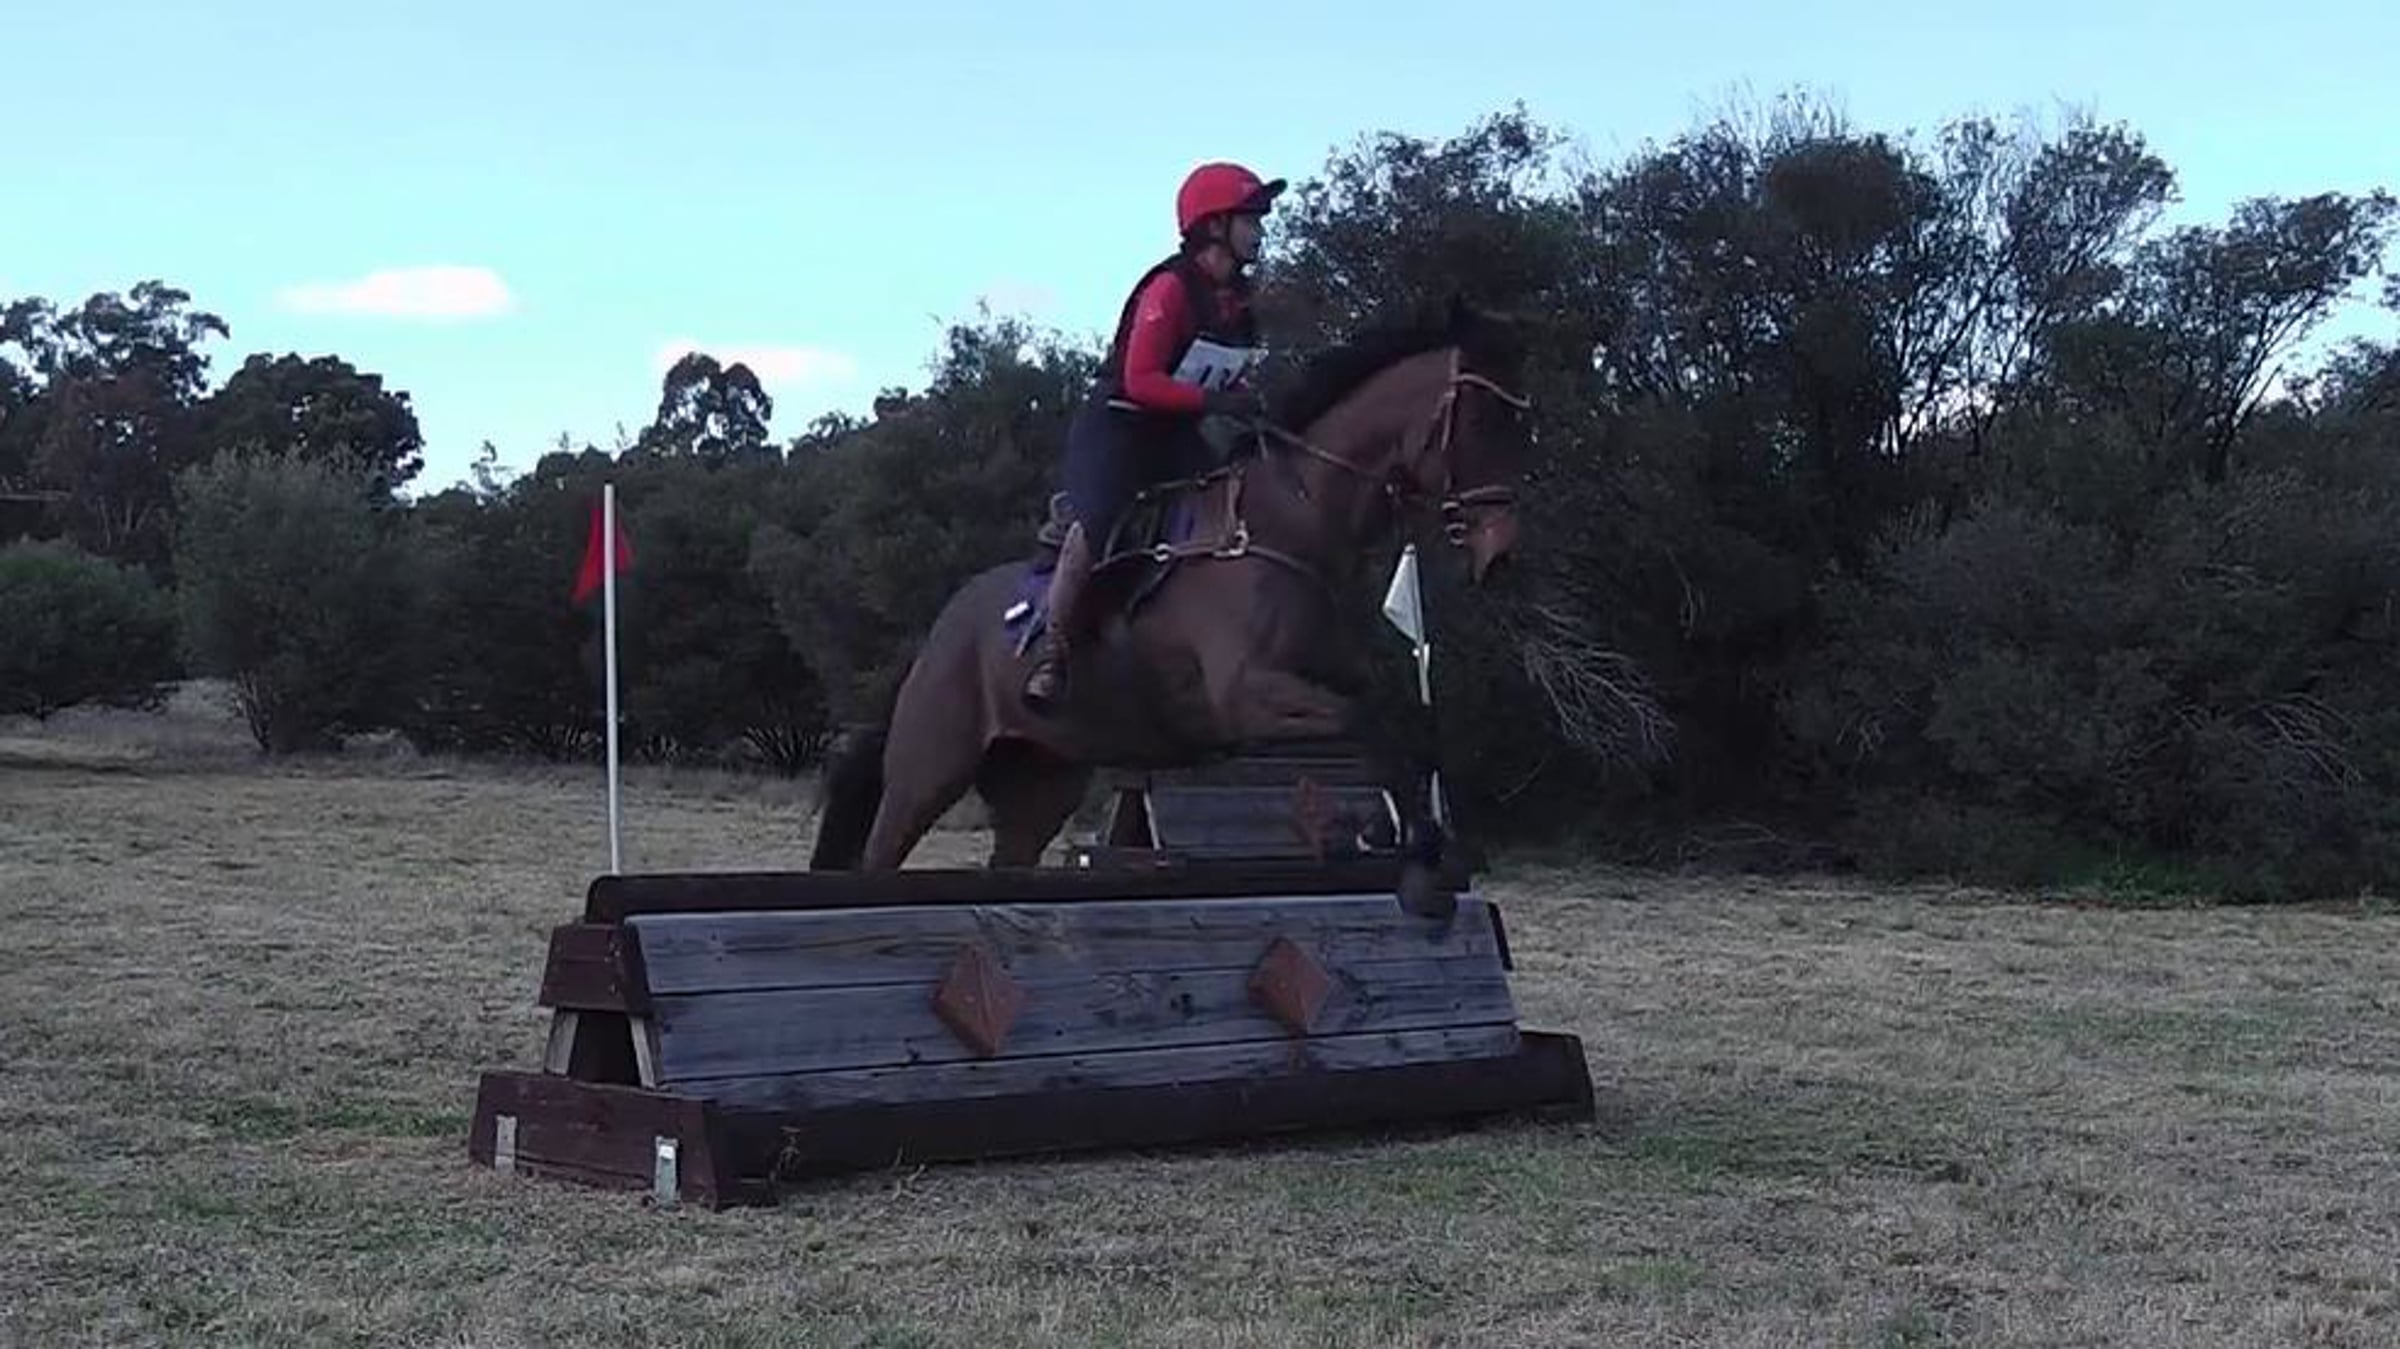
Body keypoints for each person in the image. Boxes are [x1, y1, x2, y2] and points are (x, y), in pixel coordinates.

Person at [1022, 160, 1284, 710]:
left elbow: (1236, 368)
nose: (1261, 230)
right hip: (1118, 423)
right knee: (1099, 518)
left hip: (1175, 429)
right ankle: (1053, 650)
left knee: (1228, 498)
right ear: (1214, 226)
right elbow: (1142, 381)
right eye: (1251, 219)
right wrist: (1217, 401)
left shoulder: (1240, 299)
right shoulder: (1170, 288)